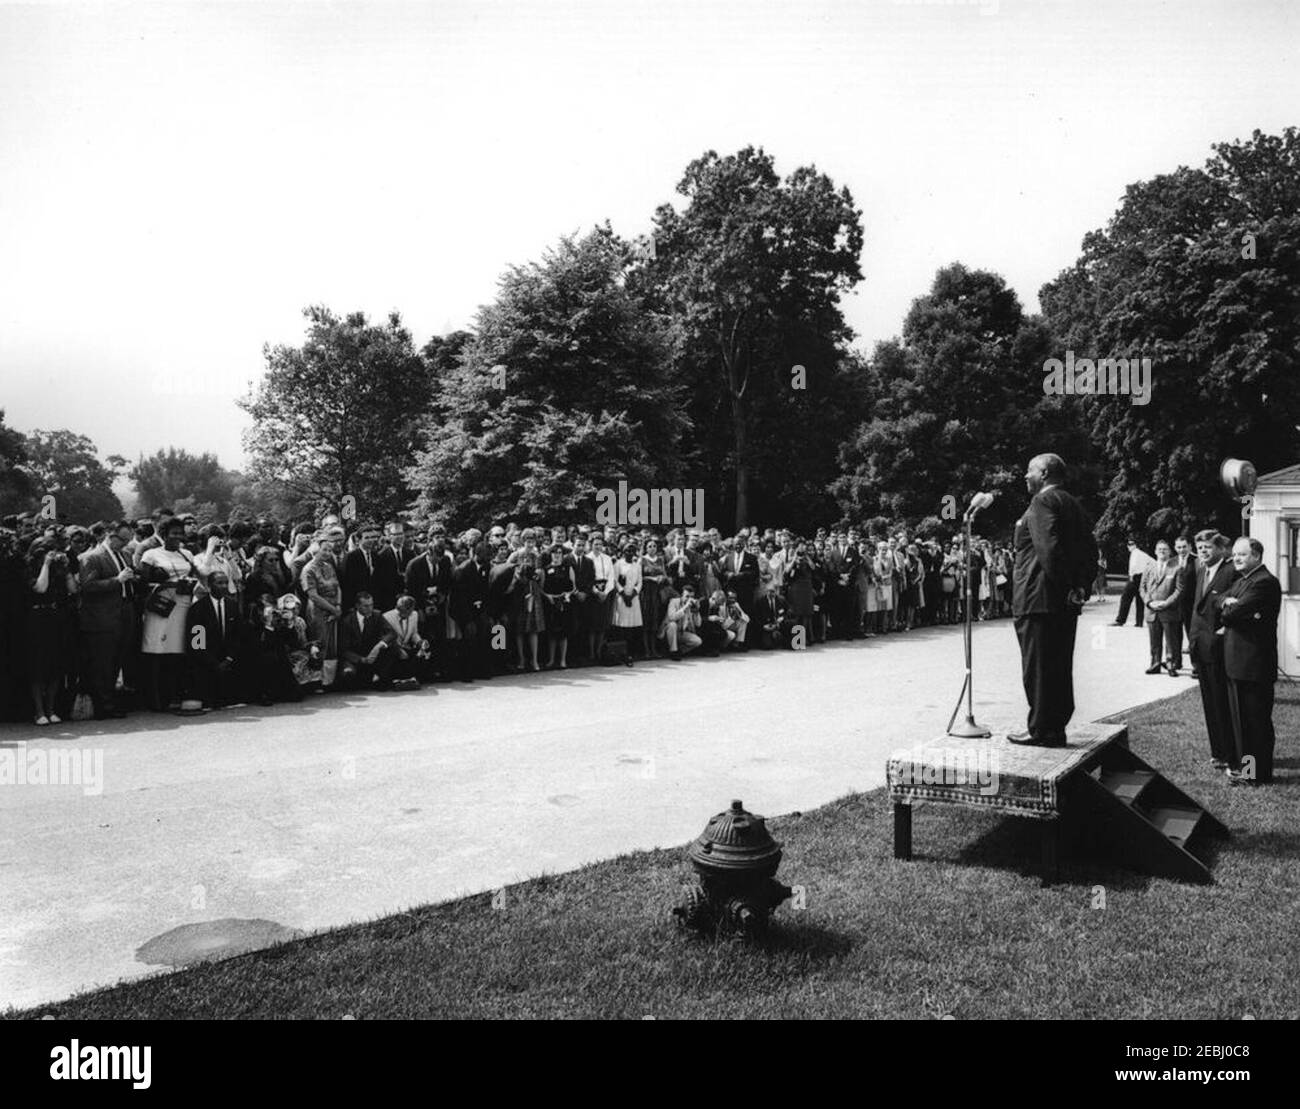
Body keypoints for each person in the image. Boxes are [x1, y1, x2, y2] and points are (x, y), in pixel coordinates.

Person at [1009, 453, 1097, 747]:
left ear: (1044, 473)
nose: (1025, 476)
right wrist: (1080, 587)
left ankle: (1041, 729)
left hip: (1038, 599)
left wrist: (1067, 585)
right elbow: (1090, 551)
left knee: (1038, 668)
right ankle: (1055, 727)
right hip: (1062, 602)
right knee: (1059, 665)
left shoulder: (1042, 502)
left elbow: (1049, 549)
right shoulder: (1074, 505)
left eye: (1029, 470)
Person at [1217, 537, 1281, 785]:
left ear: (1256, 556)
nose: (1236, 559)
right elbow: (1217, 600)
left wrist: (1230, 608)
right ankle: (1248, 771)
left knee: (1255, 726)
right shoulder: (1243, 581)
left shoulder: (1264, 582)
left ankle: (1255, 775)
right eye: (1234, 554)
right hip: (1237, 665)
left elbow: (1230, 616)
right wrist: (1226, 602)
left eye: (1241, 554)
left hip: (1254, 667)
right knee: (1242, 725)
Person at [77, 520, 137, 720]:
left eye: (129, 540)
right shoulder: (92, 558)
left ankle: (111, 700)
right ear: (110, 535)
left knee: (118, 660)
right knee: (103, 662)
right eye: (123, 540)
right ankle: (103, 705)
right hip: (101, 617)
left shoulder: (126, 555)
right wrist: (117, 580)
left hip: (124, 612)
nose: (126, 544)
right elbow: (87, 586)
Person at [1189, 530, 1237, 770]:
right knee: (1210, 704)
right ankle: (1217, 752)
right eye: (1200, 548)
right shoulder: (1201, 571)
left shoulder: (1231, 571)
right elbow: (1196, 610)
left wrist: (1224, 632)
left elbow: (1235, 606)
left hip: (1219, 650)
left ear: (1220, 548)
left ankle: (1230, 753)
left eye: (1207, 547)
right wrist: (1192, 641)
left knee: (1223, 703)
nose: (1203, 551)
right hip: (1201, 648)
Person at [139, 518, 198, 711]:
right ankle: (155, 699)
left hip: (183, 603)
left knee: (177, 650)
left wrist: (188, 583)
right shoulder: (151, 554)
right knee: (156, 649)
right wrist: (166, 584)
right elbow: (142, 583)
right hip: (161, 606)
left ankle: (175, 695)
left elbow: (197, 575)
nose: (178, 537)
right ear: (164, 534)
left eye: (180, 533)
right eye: (173, 533)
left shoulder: (186, 553)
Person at [26, 539, 79, 725]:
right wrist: (46, 565)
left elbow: (73, 589)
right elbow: (40, 588)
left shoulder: (59, 568)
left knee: (56, 665)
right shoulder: (30, 568)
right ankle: (39, 711)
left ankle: (51, 709)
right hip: (38, 619)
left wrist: (67, 569)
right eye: (48, 552)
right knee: (39, 666)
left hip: (56, 617)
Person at [187, 571, 244, 709]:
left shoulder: (233, 606)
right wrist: (213, 662)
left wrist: (229, 658)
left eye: (226, 582)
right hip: (206, 659)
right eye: (219, 583)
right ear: (209, 585)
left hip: (228, 658)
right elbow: (197, 642)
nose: (224, 586)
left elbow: (238, 635)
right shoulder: (198, 609)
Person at [1139, 539, 1184, 676]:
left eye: (1165, 549)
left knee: (1171, 641)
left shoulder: (1177, 568)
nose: (1162, 552)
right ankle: (1155, 664)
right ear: (1155, 552)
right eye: (1159, 549)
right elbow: (1142, 587)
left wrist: (1166, 603)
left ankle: (1171, 665)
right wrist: (1149, 602)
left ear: (1170, 552)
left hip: (1168, 610)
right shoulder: (1148, 567)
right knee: (1154, 640)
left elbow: (1179, 590)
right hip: (1152, 610)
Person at [338, 591, 396, 690]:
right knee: (348, 675)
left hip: (373, 655)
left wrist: (379, 646)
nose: (370, 608)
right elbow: (343, 649)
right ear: (357, 606)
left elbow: (391, 633)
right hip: (357, 658)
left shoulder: (377, 615)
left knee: (392, 647)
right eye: (366, 606)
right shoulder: (347, 621)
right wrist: (362, 659)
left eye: (371, 605)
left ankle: (379, 678)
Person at [1114, 537, 1153, 627]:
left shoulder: (1134, 553)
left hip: (1135, 577)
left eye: (1131, 544)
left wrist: (1131, 576)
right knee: (1139, 600)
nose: (1129, 546)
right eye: (1129, 544)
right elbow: (1153, 562)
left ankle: (1121, 619)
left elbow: (1133, 565)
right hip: (1142, 577)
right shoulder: (1143, 554)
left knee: (1126, 598)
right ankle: (1139, 622)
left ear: (1135, 545)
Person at [660, 583, 703, 660]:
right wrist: (685, 607)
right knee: (673, 625)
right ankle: (673, 651)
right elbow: (672, 617)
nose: (689, 599)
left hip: (681, 632)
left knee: (697, 641)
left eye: (692, 597)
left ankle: (679, 651)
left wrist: (697, 611)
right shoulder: (673, 602)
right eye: (687, 596)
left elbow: (698, 624)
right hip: (669, 631)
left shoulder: (692, 606)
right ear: (681, 595)